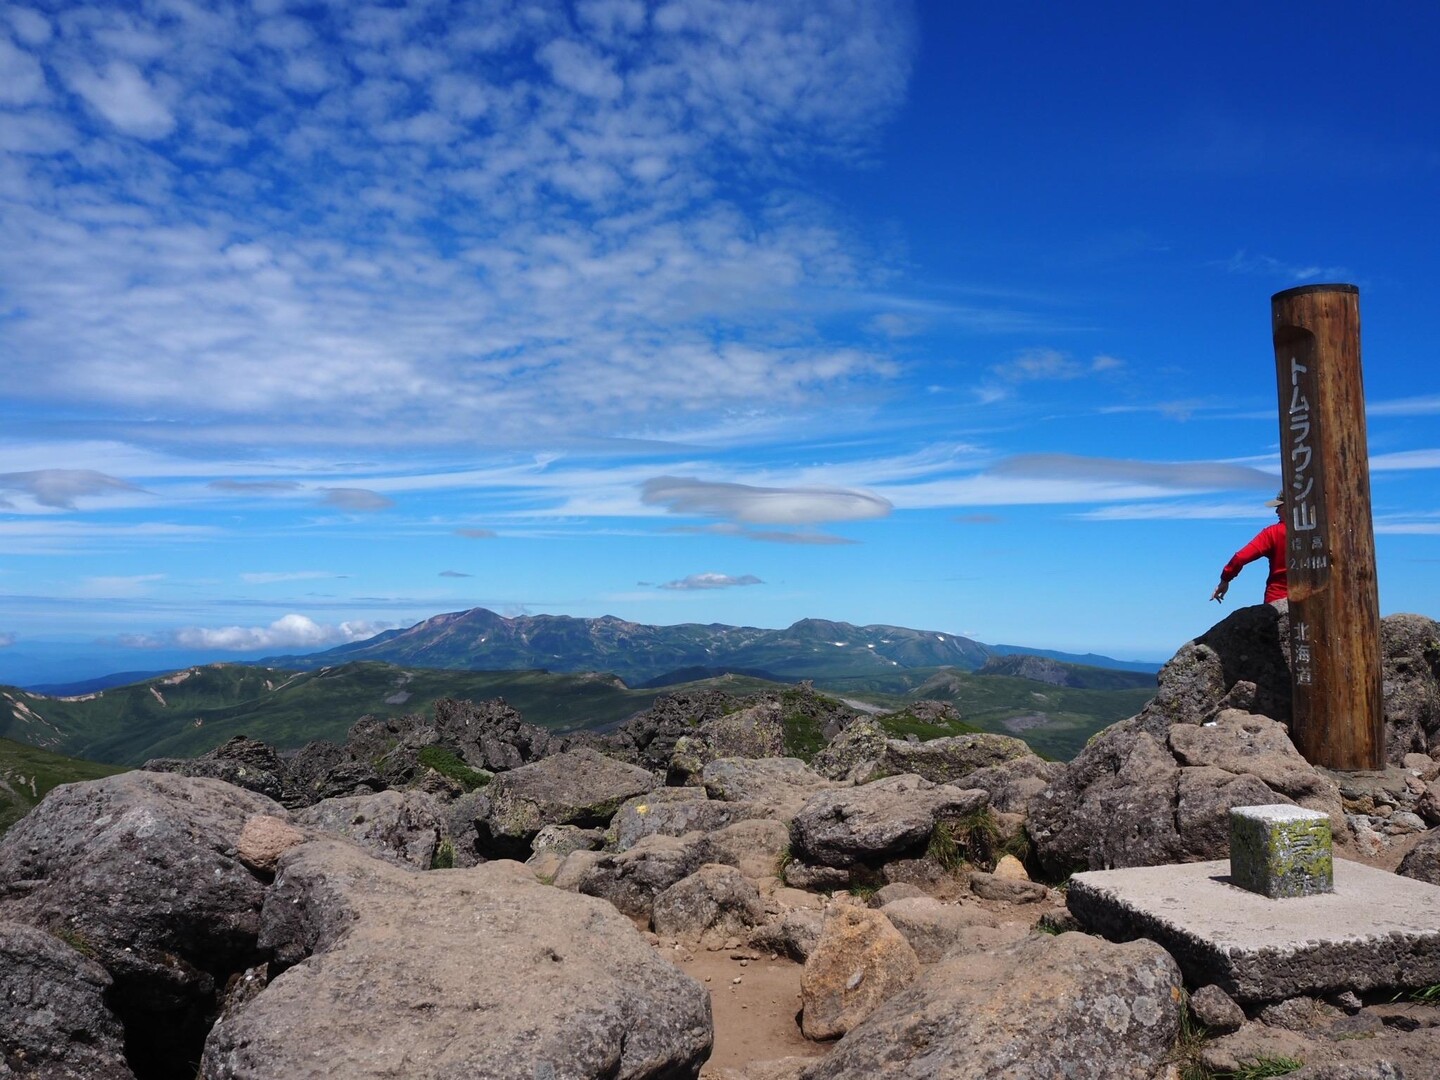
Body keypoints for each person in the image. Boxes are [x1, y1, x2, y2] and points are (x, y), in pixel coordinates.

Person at [1211, 493, 1287, 604]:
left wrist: (1225, 579)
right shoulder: (1313, 531)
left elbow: (1240, 557)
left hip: (1277, 600)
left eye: (1279, 506)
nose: (1276, 511)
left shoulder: (1272, 533)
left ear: (1289, 506)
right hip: (1311, 599)